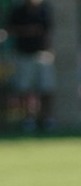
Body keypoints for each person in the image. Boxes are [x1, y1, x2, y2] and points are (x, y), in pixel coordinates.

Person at [6, 0, 54, 131]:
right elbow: (10, 29)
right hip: (23, 54)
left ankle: (46, 118)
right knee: (24, 89)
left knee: (46, 88)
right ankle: (28, 119)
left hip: (42, 54)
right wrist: (27, 30)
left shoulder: (43, 10)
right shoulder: (18, 11)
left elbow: (46, 30)